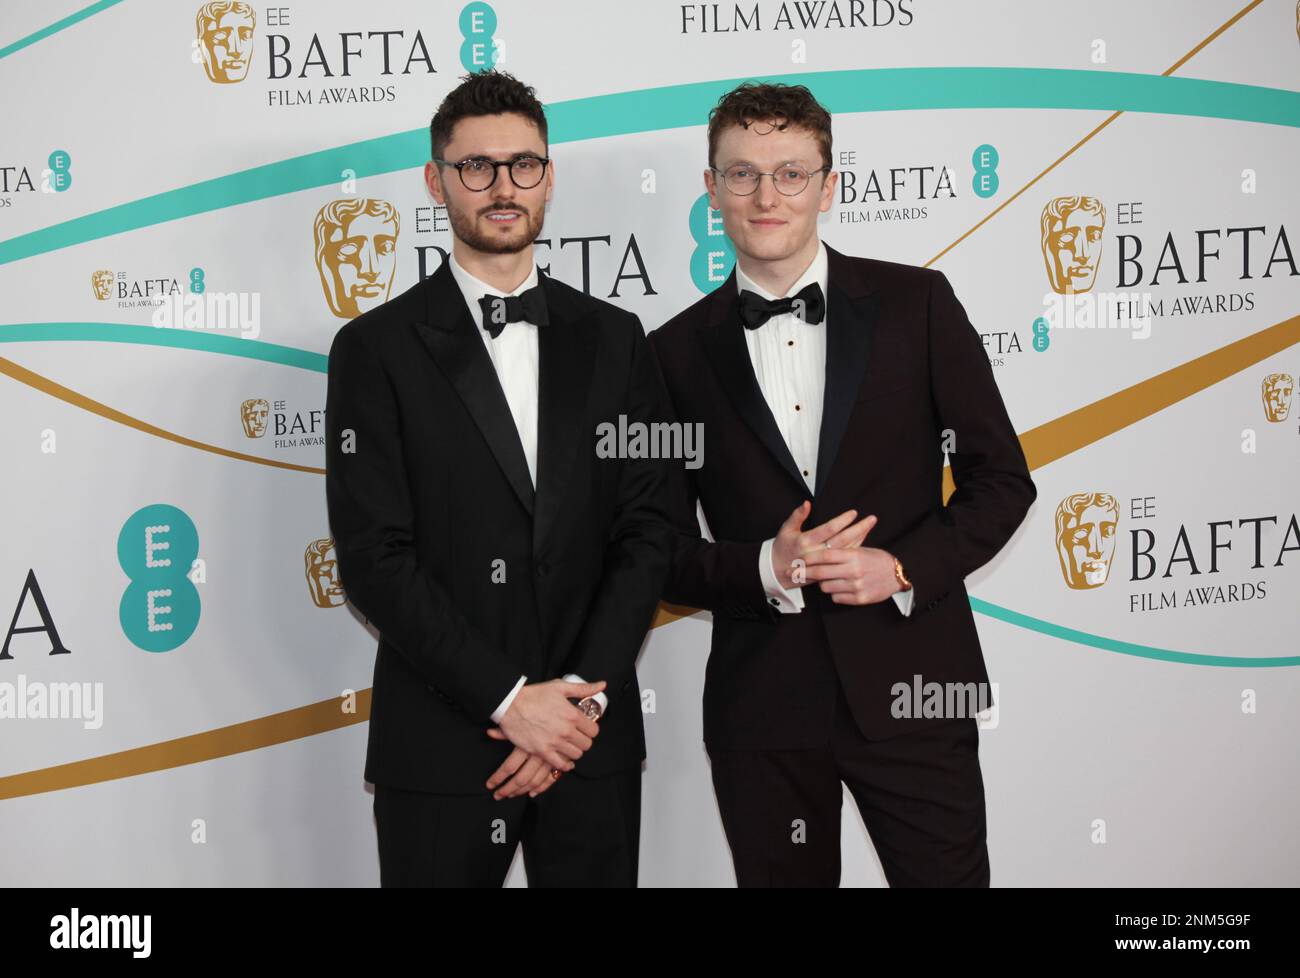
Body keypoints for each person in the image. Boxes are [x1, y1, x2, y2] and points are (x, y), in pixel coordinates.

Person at [647, 82, 1037, 887]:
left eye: (791, 173)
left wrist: (899, 568)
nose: (766, 194)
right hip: (763, 709)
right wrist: (765, 566)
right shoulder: (670, 354)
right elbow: (655, 548)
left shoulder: (918, 304)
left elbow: (1001, 481)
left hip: (915, 685)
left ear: (829, 185)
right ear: (711, 187)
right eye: (743, 173)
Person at [325, 69, 670, 887]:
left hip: (591, 744)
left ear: (549, 177)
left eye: (522, 164)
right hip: (444, 747)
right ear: (436, 180)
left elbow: (650, 529)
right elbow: (375, 557)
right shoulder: (374, 351)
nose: (502, 186)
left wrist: (575, 705)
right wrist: (512, 702)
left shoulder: (619, 341)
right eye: (475, 167)